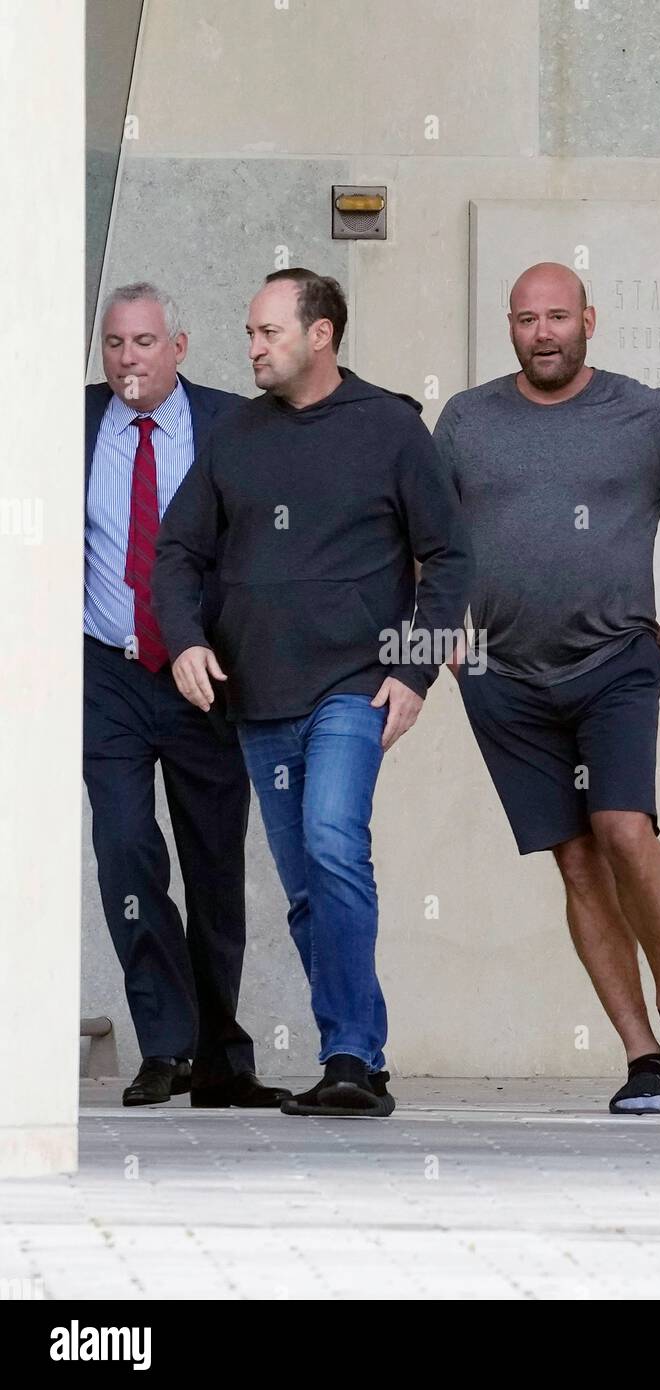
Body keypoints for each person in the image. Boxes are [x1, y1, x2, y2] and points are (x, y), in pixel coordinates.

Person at [434, 262, 660, 1115]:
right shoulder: (468, 419)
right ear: (508, 327)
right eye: (525, 320)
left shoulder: (642, 413)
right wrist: (436, 623)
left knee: (622, 828)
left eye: (556, 317)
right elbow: (423, 527)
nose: (541, 333)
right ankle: (640, 1060)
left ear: (589, 319)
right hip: (502, 676)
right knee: (577, 862)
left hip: (615, 661)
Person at [153, 269, 473, 1117]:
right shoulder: (235, 437)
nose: (253, 347)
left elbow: (448, 558)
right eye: (251, 332)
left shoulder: (390, 431)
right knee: (305, 889)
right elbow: (177, 552)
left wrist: (413, 670)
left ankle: (348, 1056)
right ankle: (357, 1052)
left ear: (320, 334)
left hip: (354, 687)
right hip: (258, 700)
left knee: (335, 845)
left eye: (269, 332)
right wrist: (185, 639)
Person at [85, 281, 286, 1109]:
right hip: (107, 672)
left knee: (212, 865)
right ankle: (164, 1043)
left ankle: (221, 1057)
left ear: (180, 345)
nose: (128, 359)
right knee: (127, 848)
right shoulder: (70, 422)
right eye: (114, 344)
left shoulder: (235, 425)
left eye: (144, 342)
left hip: (204, 675)